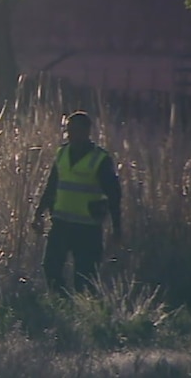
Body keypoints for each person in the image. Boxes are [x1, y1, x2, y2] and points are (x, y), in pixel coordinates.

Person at [33, 110, 122, 297]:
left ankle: (84, 315)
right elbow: (52, 185)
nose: (71, 134)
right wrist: (39, 213)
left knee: (85, 277)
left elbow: (114, 195)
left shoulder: (100, 159)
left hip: (87, 227)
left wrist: (117, 228)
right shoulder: (62, 153)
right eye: (68, 130)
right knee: (50, 268)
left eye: (75, 130)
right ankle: (64, 302)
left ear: (87, 132)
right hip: (61, 223)